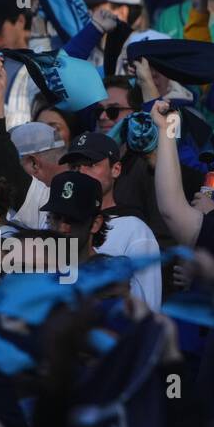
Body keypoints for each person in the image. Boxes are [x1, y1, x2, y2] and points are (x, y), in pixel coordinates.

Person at [60, 132, 162, 310]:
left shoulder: (135, 229)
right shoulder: (56, 221)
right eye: (74, 166)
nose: (81, 172)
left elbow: (148, 306)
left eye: (91, 165)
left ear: (116, 169)